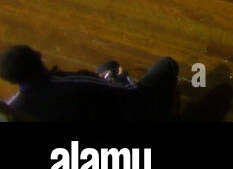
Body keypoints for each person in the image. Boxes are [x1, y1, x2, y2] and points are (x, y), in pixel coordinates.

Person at [1, 45, 178, 122]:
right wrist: (121, 78)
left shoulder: (16, 108)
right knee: (167, 64)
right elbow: (128, 93)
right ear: (39, 57)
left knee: (107, 66)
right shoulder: (68, 84)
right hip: (130, 113)